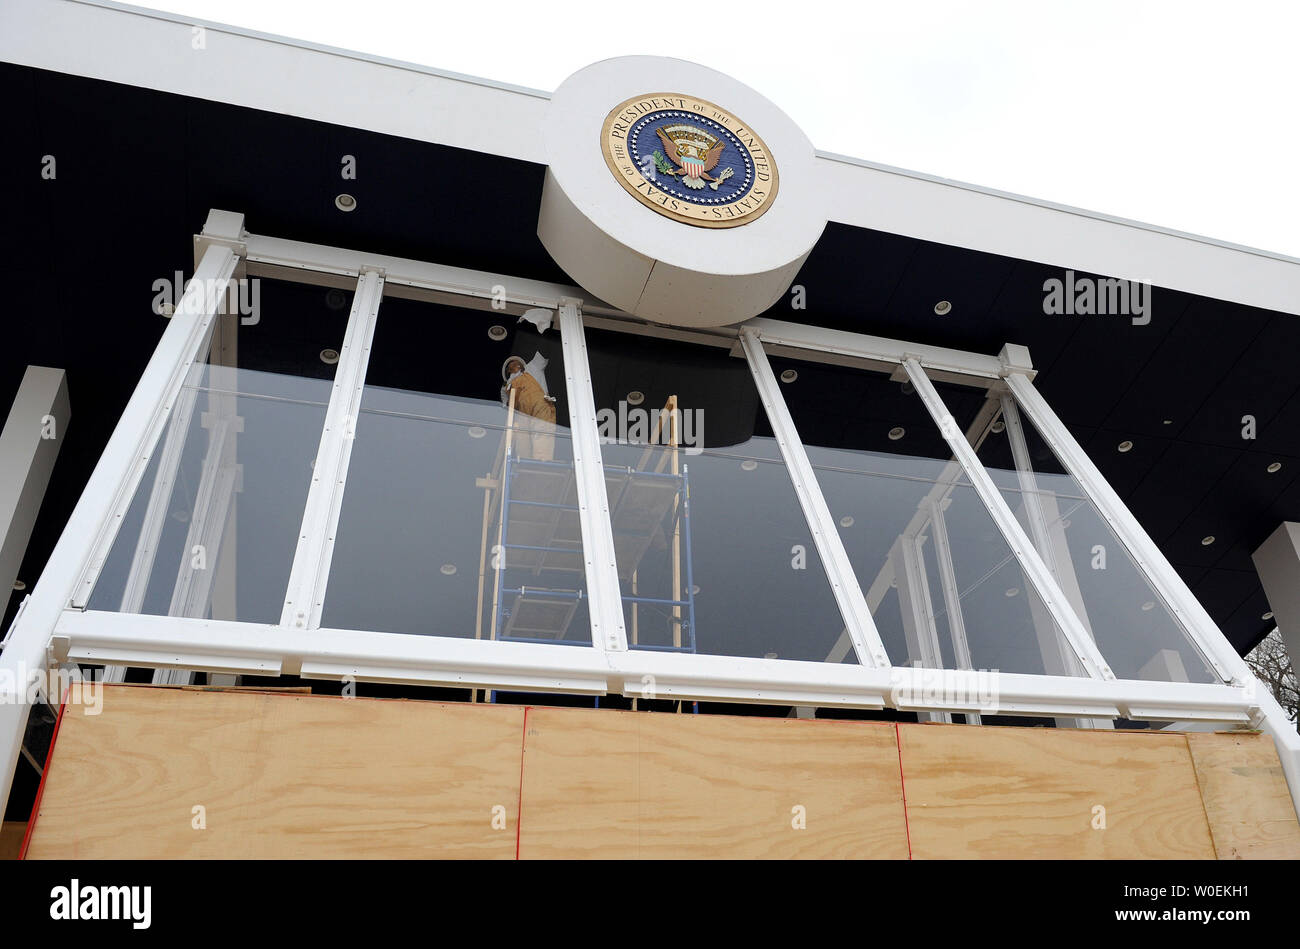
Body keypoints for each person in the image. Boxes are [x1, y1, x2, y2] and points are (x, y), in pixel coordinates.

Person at [501, 352, 556, 461]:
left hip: (540, 406)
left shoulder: (533, 367)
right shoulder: (505, 387)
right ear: (508, 371)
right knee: (522, 443)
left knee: (542, 435)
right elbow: (505, 406)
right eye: (511, 365)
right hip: (522, 414)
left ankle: (542, 464)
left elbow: (544, 351)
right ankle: (525, 465)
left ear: (522, 365)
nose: (514, 365)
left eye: (516, 363)